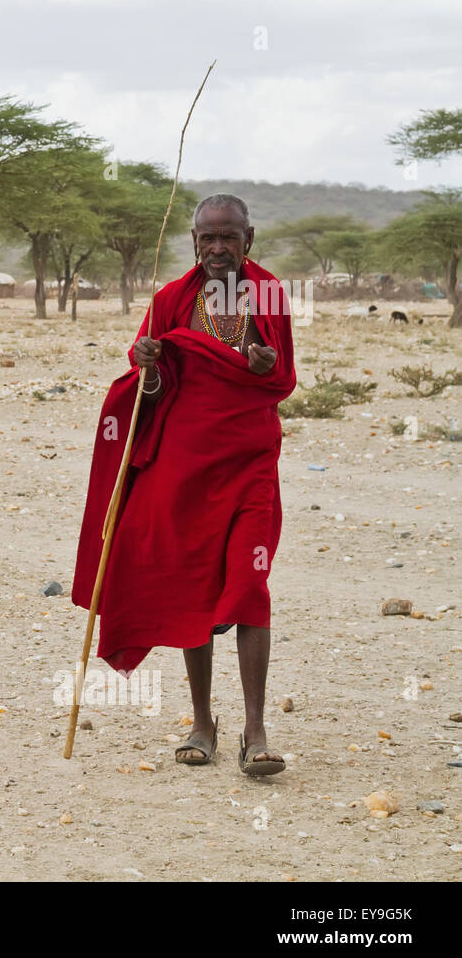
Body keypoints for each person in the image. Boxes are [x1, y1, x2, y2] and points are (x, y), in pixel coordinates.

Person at [71, 194, 296, 777]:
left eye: (229, 237)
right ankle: (202, 723)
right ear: (193, 240)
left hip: (249, 461)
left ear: (250, 237)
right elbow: (150, 387)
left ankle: (256, 730)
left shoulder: (268, 293)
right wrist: (148, 365)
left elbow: (284, 379)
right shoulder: (171, 298)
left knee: (249, 584)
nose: (218, 248)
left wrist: (264, 366)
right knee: (195, 583)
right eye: (207, 238)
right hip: (183, 466)